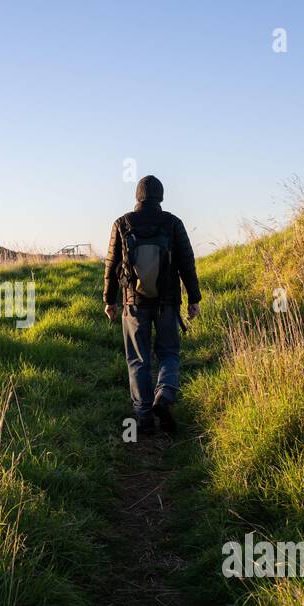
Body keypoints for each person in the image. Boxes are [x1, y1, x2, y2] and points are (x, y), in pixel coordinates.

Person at [103, 175, 201, 434]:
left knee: (138, 358)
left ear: (137, 197)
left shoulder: (122, 223)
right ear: (161, 196)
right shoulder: (172, 223)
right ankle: (164, 395)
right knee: (169, 353)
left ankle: (143, 417)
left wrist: (109, 301)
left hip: (134, 304)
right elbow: (187, 262)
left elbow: (111, 264)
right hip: (167, 302)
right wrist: (194, 299)